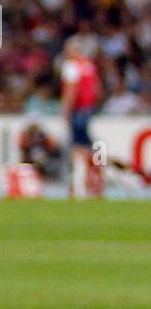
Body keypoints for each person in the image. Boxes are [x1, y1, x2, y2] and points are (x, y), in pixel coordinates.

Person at [59, 35, 102, 198]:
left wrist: (66, 109)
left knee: (77, 147)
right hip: (88, 108)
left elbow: (71, 89)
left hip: (78, 109)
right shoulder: (90, 66)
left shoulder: (71, 66)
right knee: (86, 145)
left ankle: (78, 186)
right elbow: (97, 89)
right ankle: (94, 181)